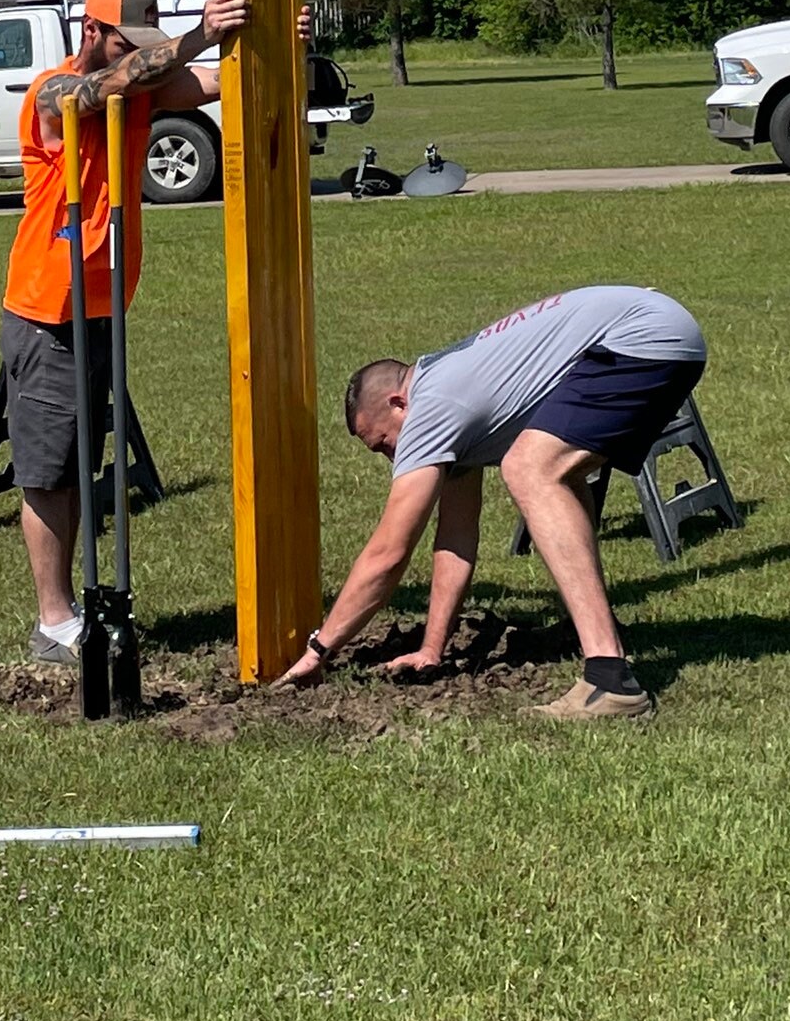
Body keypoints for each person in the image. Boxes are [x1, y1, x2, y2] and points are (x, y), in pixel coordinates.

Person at [276, 283, 708, 721]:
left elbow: (389, 554)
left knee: (530, 468)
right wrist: (432, 646)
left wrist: (320, 648)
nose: (393, 458)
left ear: (398, 403)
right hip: (655, 331)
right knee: (556, 470)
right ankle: (595, 638)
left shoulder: (432, 406)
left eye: (384, 443)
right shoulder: (451, 408)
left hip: (640, 338)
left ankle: (610, 680)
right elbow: (456, 537)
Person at [2, 0, 250, 662]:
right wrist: (197, 32)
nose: (135, 54)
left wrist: (264, 40)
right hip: (48, 308)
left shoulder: (134, 92)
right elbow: (94, 95)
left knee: (81, 462)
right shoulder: (54, 91)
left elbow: (207, 83)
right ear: (91, 33)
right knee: (49, 471)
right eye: (123, 42)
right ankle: (53, 622)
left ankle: (70, 611)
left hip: (103, 304)